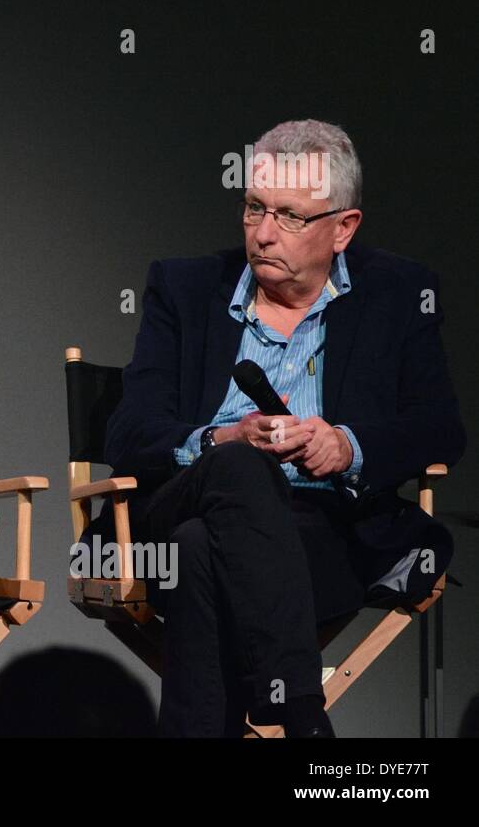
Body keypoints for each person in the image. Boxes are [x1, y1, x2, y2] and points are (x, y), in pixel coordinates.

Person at [104, 119, 464, 737]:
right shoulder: (186, 288)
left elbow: (440, 429)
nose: (264, 233)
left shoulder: (399, 294)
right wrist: (222, 440)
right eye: (253, 208)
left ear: (343, 228)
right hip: (171, 511)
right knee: (238, 469)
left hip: (322, 538)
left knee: (200, 550)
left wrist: (345, 445)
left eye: (291, 217)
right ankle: (301, 709)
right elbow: (129, 432)